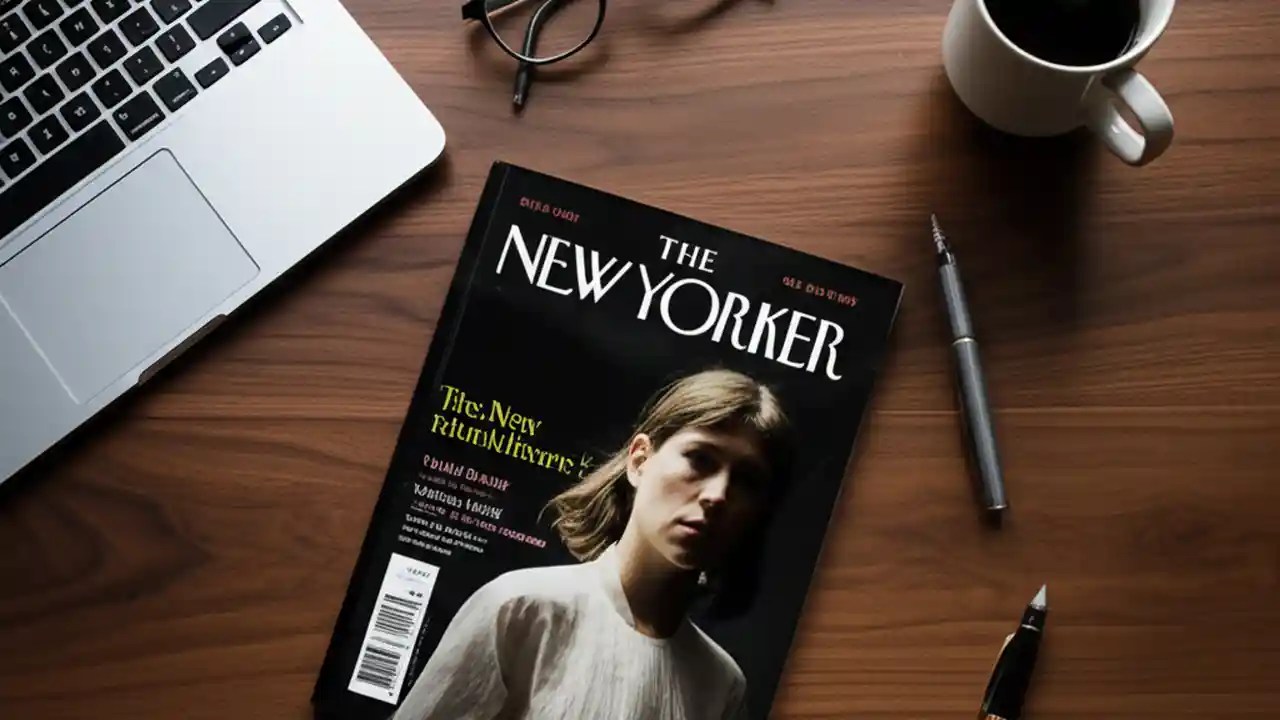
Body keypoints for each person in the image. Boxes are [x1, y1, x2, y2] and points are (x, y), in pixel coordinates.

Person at [392, 368, 795, 720]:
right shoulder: (521, 608)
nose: (718, 495)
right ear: (639, 460)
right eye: (700, 459)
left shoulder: (722, 684)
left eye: (747, 481)